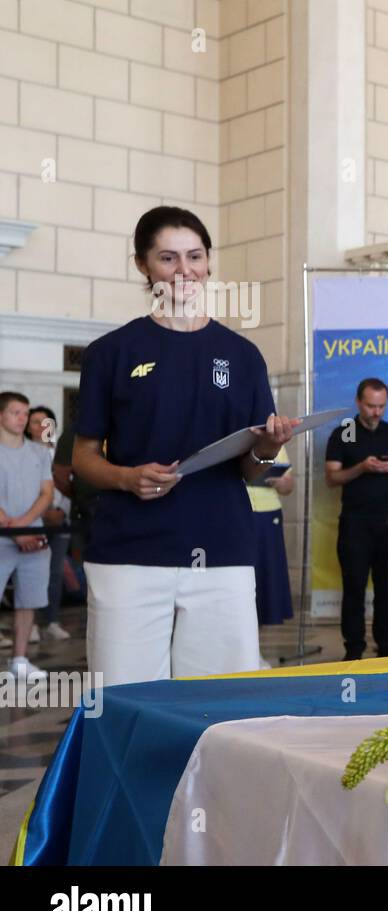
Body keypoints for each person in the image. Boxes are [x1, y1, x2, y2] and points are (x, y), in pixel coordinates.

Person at [71, 207, 296, 686]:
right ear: (143, 266)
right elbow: (83, 458)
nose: (184, 270)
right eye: (168, 258)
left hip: (224, 551)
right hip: (129, 553)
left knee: (220, 707)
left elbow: (251, 470)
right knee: (125, 701)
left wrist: (267, 448)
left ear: (210, 262)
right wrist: (127, 478)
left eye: (194, 256)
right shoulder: (111, 352)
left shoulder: (243, 355)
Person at [325, 378, 388, 660]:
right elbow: (332, 477)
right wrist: (362, 467)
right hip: (355, 524)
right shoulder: (344, 433)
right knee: (354, 589)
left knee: (387, 589)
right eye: (371, 406)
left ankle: (387, 647)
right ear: (359, 402)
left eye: (381, 406)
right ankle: (353, 649)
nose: (377, 412)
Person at [0, 392, 53, 681]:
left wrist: (25, 524)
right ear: (1, 416)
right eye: (15, 413)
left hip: (34, 538)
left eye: (25, 413)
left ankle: (20, 658)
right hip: (3, 538)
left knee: (28, 599)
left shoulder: (39, 452)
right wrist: (14, 529)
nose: (22, 418)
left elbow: (46, 493)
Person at [25, 406, 72, 643]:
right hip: (33, 522)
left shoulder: (60, 455)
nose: (42, 427)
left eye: (47, 423)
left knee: (55, 573)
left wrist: (61, 512)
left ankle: (51, 621)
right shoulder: (23, 453)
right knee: (31, 573)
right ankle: (29, 624)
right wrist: (42, 514)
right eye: (36, 422)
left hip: (61, 520)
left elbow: (67, 485)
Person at [245, 447, 295, 627]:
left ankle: (257, 650)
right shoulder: (229, 434)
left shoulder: (275, 441)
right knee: (241, 582)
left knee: (266, 580)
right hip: (236, 513)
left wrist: (281, 482)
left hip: (268, 513)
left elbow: (289, 485)